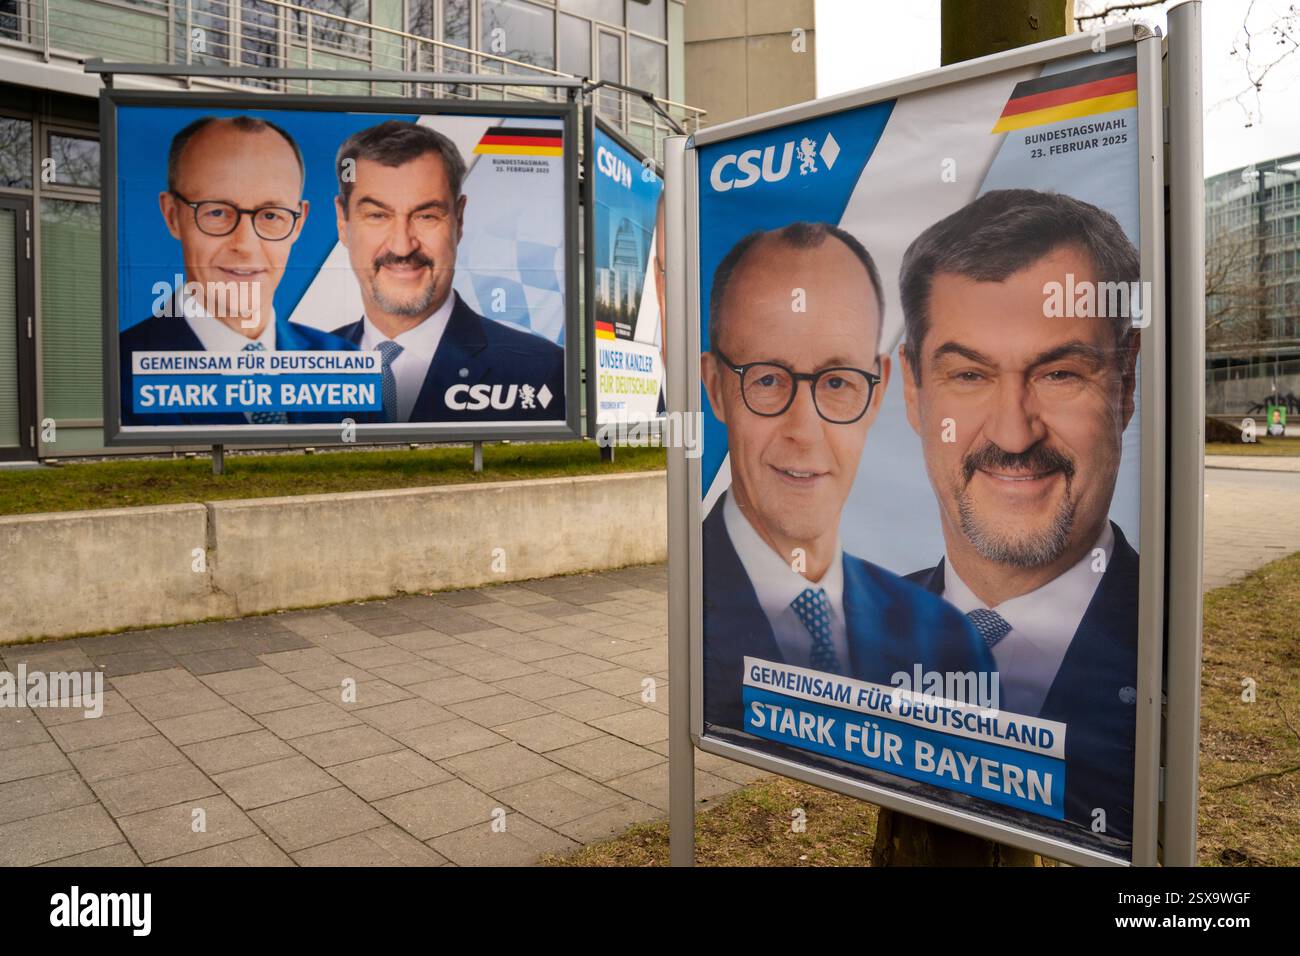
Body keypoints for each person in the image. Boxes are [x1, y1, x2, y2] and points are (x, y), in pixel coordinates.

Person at [898, 188, 1141, 844]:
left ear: (1126, 383)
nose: (1012, 435)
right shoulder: (858, 627)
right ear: (913, 391)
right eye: (969, 376)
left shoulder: (1160, 642)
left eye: (1059, 373)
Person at [700, 221, 993, 734]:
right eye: (767, 379)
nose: (805, 432)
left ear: (876, 394)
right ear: (716, 387)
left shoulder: (946, 638)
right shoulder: (690, 604)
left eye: (837, 382)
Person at [120, 115, 354, 426]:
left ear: (298, 223)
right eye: (216, 212)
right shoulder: (116, 371)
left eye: (271, 215)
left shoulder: (347, 367)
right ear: (172, 215)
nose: (244, 244)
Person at [331, 120, 565, 423]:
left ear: (460, 220)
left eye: (427, 215)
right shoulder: (297, 369)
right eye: (377, 215)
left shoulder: (542, 368)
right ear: (342, 222)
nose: (402, 247)